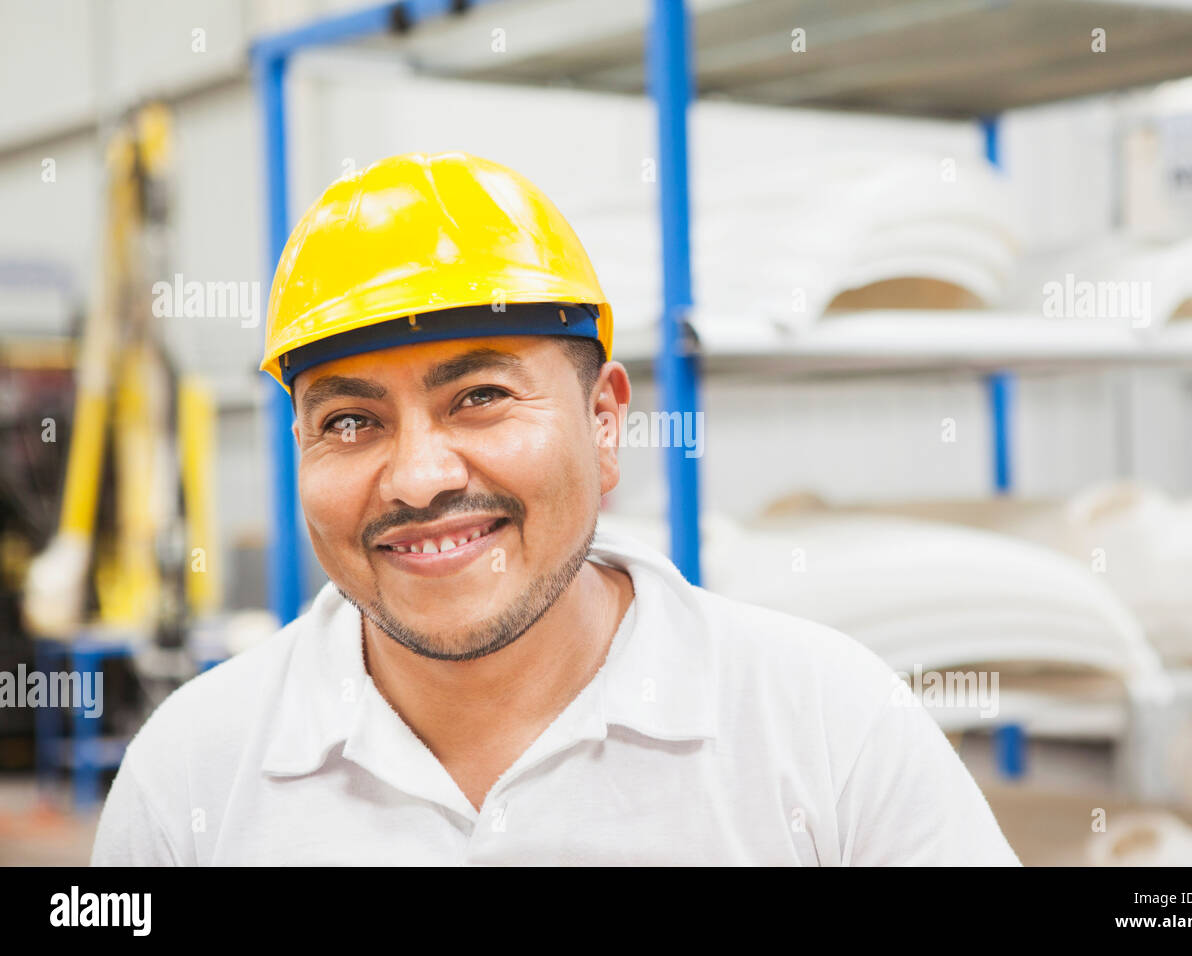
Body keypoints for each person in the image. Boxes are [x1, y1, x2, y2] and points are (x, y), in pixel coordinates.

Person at [91, 151, 1019, 865]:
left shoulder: (822, 726)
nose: (417, 479)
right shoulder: (194, 772)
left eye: (481, 396)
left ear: (605, 422)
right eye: (348, 420)